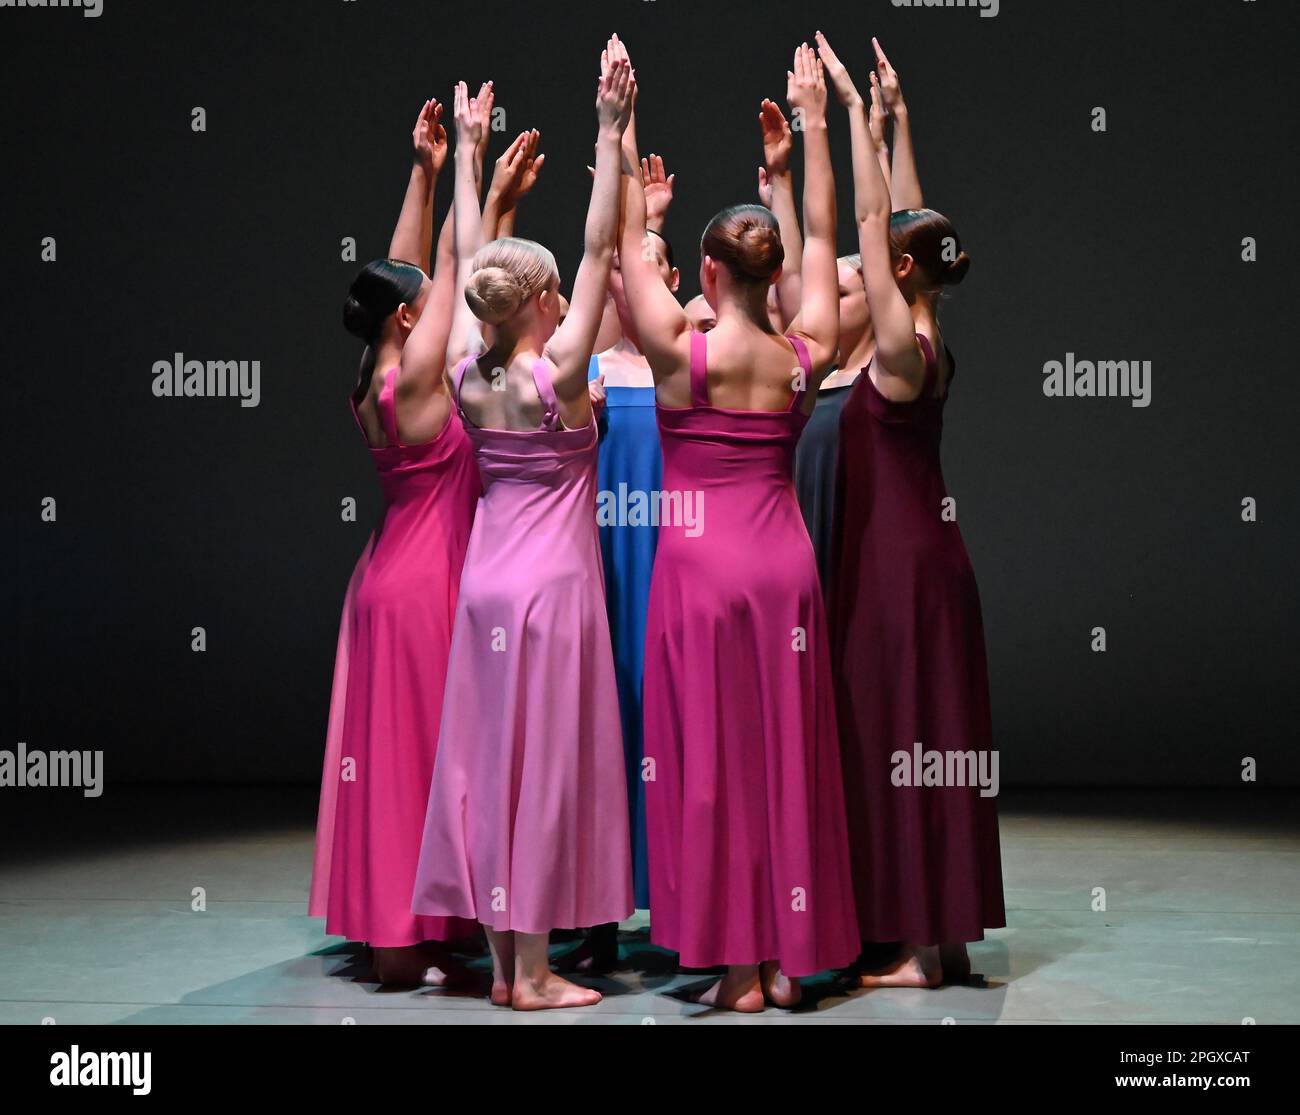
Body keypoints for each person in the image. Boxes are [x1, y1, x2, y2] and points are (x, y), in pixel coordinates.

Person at [617, 40, 859, 1011]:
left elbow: (623, 256)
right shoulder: (809, 352)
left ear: (707, 269)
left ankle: (736, 966)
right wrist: (809, 140)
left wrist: (621, 135)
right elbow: (829, 237)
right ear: (775, 275)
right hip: (782, 567)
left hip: (700, 570)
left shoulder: (682, 354)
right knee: (786, 756)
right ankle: (786, 954)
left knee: (711, 761)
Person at [412, 47, 636, 1011]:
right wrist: (610, 130)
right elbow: (599, 251)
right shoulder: (562, 373)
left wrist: (467, 156)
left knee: (485, 766)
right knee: (539, 775)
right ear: (544, 301)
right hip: (553, 595)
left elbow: (461, 255)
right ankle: (534, 975)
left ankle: (507, 968)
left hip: (485, 587)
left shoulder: (470, 370)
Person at [818, 33, 1005, 987]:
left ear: (899, 269)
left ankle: (921, 953)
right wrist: (900, 120)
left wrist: (855, 113)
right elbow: (911, 224)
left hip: (894, 575)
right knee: (933, 742)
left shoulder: (895, 349)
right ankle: (945, 932)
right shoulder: (930, 329)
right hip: (933, 567)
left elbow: (875, 218)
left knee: (899, 738)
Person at [310, 96, 483, 986]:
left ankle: (413, 927)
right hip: (424, 586)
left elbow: (408, 271)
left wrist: (421, 168)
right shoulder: (417, 376)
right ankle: (402, 934)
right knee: (420, 756)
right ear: (413, 320)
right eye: (423, 304)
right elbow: (449, 264)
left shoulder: (377, 370)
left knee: (393, 760)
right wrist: (467, 159)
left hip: (385, 574)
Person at [795, 35, 924, 597]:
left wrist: (895, 127)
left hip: (873, 548)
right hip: (814, 536)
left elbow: (899, 235)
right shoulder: (813, 364)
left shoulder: (894, 362)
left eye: (846, 292)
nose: (823, 300)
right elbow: (813, 241)